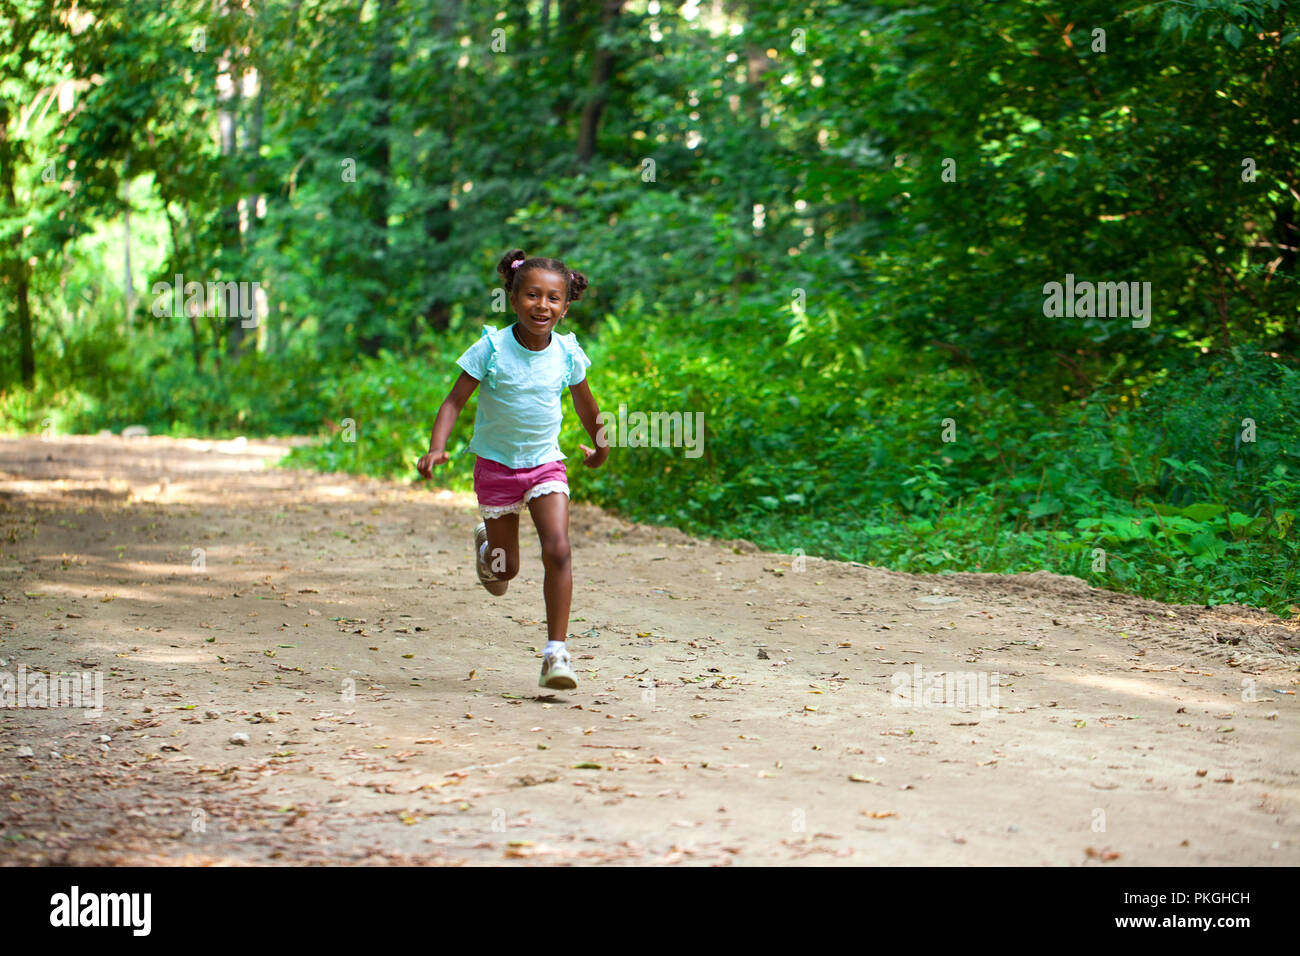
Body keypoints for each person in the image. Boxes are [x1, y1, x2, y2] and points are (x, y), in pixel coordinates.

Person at [416, 249, 609, 690]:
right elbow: (453, 401)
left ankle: (555, 653)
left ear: (565, 305)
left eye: (553, 298)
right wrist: (437, 448)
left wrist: (601, 448)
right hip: (497, 469)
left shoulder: (567, 352)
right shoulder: (491, 347)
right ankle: (487, 549)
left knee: (558, 549)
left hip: (545, 466)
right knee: (505, 573)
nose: (543, 306)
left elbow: (586, 405)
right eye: (532, 295)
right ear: (512, 297)